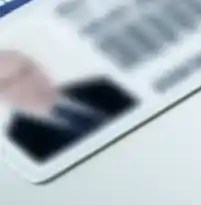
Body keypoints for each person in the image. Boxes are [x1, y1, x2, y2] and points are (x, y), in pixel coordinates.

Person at [0, 50, 136, 164]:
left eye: (25, 72)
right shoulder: (19, 142)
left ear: (38, 66)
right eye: (8, 83)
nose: (25, 84)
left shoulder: (102, 87)